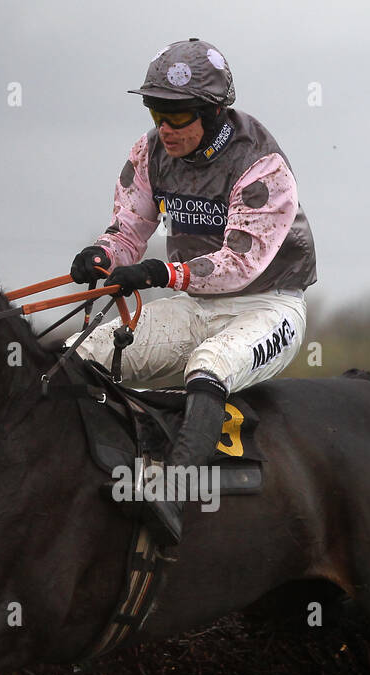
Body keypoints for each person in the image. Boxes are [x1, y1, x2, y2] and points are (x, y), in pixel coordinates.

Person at [69, 38, 316, 545]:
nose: (164, 125)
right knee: (83, 354)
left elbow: (238, 266)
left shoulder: (262, 164)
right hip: (195, 303)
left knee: (209, 363)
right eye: (155, 109)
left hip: (269, 306)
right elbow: (128, 231)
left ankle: (173, 494)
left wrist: (164, 273)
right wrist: (104, 255)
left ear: (214, 111)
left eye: (177, 115)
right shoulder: (148, 153)